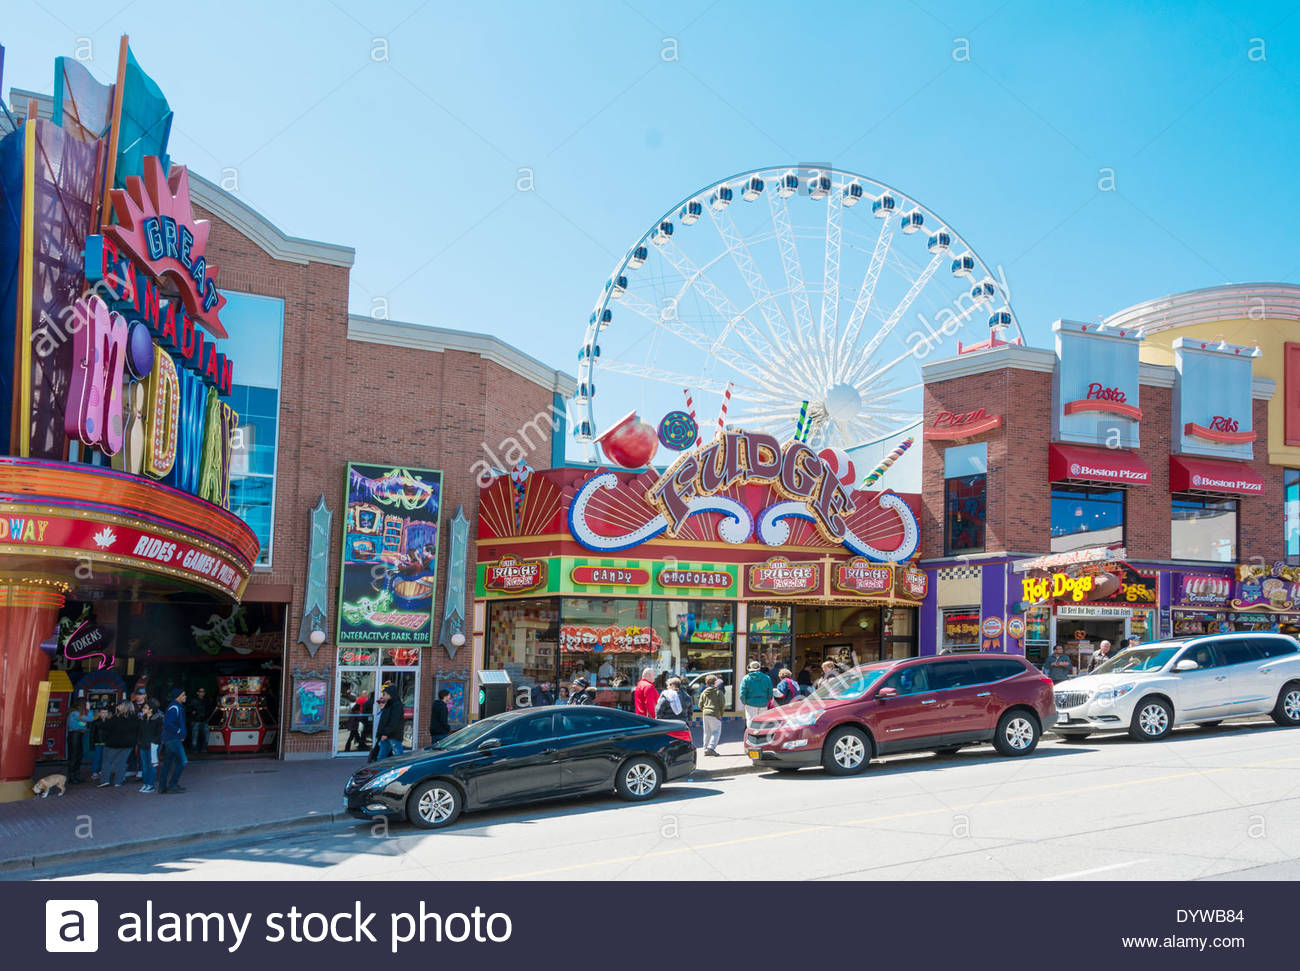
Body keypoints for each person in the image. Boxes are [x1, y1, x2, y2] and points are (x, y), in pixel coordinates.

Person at [99, 701, 138, 788]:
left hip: (113, 743)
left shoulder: (116, 717)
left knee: (107, 762)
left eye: (119, 705)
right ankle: (118, 781)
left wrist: (104, 719)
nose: (117, 707)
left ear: (124, 706)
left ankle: (105, 780)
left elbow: (104, 726)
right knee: (121, 763)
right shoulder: (135, 718)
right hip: (128, 744)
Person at [158, 688, 188, 794]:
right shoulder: (175, 707)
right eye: (183, 695)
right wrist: (180, 732)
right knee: (182, 761)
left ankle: (162, 786)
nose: (185, 697)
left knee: (167, 763)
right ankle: (172, 784)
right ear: (178, 696)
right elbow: (168, 724)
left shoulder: (174, 706)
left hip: (170, 738)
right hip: (173, 739)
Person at [137, 697, 163, 793]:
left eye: (145, 708)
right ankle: (145, 783)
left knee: (151, 765)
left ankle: (150, 785)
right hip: (143, 745)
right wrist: (139, 742)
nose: (143, 710)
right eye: (143, 708)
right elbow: (140, 732)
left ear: (151, 709)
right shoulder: (142, 719)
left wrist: (154, 742)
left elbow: (159, 733)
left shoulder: (158, 719)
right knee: (144, 766)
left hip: (153, 746)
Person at [374, 684, 406, 760]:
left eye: (385, 695)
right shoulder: (389, 704)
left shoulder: (397, 705)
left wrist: (386, 733)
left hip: (393, 735)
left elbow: (394, 721)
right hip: (385, 735)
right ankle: (380, 770)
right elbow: (384, 720)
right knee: (381, 757)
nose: (383, 697)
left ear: (390, 695)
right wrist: (381, 733)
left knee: (399, 757)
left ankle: (402, 770)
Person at [739, 660, 773, 727]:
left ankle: (752, 736)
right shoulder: (766, 678)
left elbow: (742, 693)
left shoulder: (746, 678)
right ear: (759, 668)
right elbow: (770, 692)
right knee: (762, 722)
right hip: (763, 703)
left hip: (750, 703)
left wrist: (745, 702)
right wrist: (767, 701)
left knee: (750, 721)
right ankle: (761, 736)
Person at [698, 676, 724, 756]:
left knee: (707, 732)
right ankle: (711, 748)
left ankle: (705, 748)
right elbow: (722, 704)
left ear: (706, 683)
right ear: (715, 683)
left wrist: (704, 710)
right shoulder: (718, 692)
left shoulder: (704, 692)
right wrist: (721, 714)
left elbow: (700, 704)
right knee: (716, 731)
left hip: (705, 713)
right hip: (715, 713)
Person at [66, 703, 87, 784]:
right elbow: (82, 723)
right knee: (75, 756)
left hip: (76, 735)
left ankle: (75, 776)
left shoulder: (74, 713)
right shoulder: (75, 713)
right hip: (75, 735)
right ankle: (72, 777)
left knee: (77, 756)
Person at [187, 687, 212, 753]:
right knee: (195, 736)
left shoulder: (206, 701)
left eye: (203, 692)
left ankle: (204, 749)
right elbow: (188, 709)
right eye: (200, 692)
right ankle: (194, 749)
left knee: (206, 736)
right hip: (196, 720)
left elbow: (209, 709)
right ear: (197, 693)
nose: (202, 693)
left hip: (204, 720)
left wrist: (207, 717)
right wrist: (193, 712)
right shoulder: (194, 700)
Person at [89, 706, 109, 780]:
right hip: (98, 743)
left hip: (106, 743)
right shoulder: (95, 722)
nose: (104, 714)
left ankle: (101, 771)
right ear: (99, 713)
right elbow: (92, 734)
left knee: (105, 758)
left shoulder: (109, 722)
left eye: (106, 712)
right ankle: (95, 772)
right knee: (97, 758)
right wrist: (91, 744)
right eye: (103, 712)